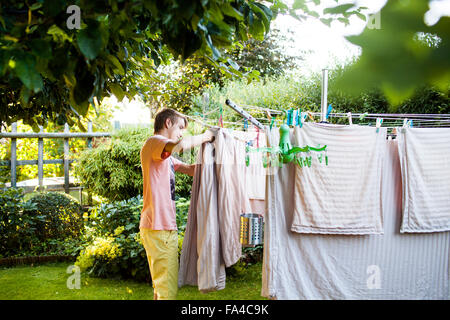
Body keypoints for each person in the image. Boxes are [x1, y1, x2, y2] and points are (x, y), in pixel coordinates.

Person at [139, 108, 215, 300]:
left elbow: (190, 170)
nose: (182, 132)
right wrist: (207, 136)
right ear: (168, 123)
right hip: (159, 227)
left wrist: (217, 163)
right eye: (180, 127)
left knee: (162, 287)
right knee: (168, 291)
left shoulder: (164, 157)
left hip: (159, 228)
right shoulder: (155, 143)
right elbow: (180, 146)